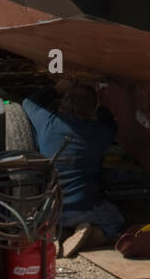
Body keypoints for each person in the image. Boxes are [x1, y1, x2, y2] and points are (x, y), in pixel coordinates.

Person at [22, 78, 124, 255]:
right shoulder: (100, 132)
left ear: (63, 102)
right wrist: (101, 103)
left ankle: (58, 234)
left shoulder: (48, 123)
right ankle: (90, 235)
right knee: (116, 222)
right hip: (85, 209)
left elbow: (28, 102)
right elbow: (110, 122)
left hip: (50, 210)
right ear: (91, 108)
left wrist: (55, 89)